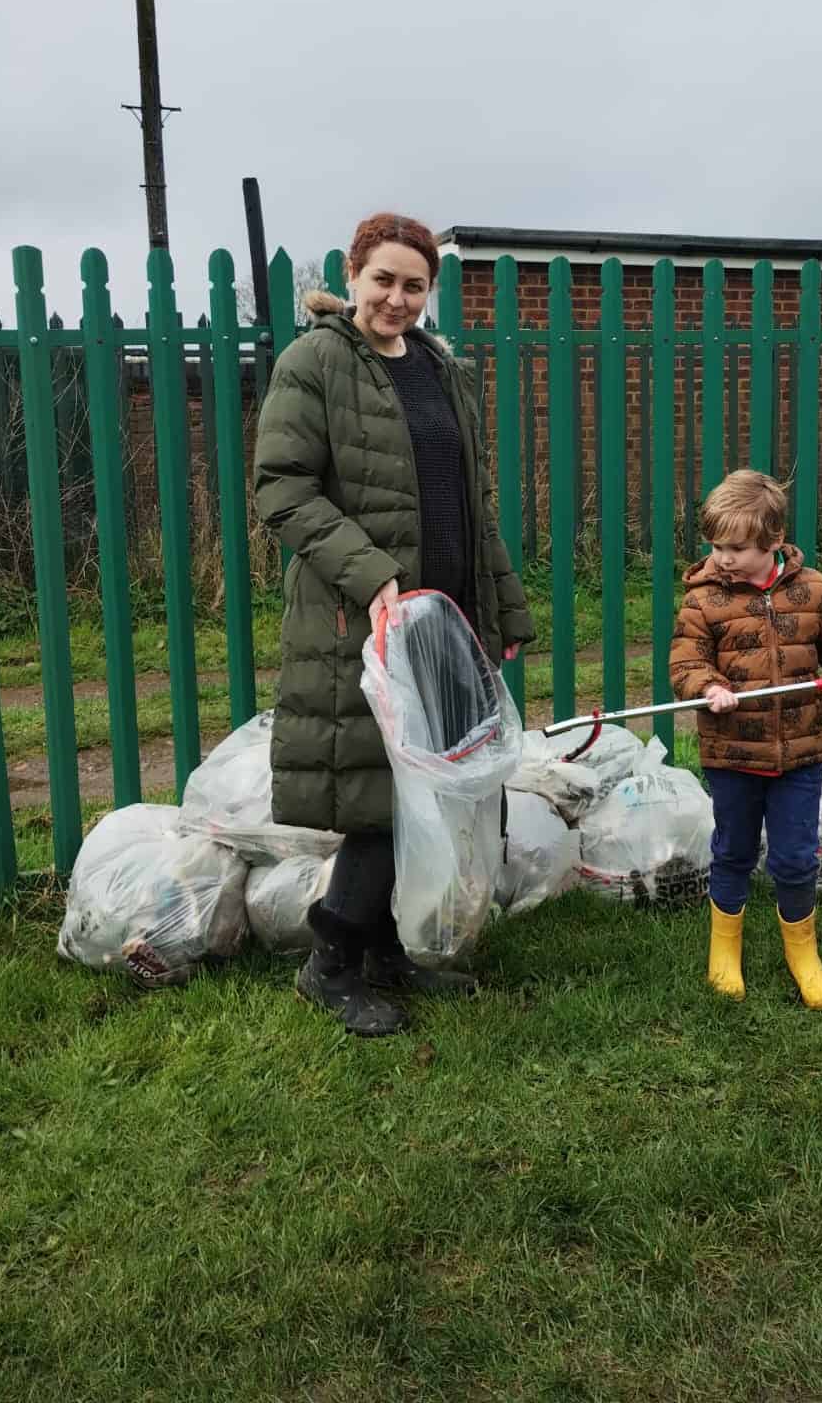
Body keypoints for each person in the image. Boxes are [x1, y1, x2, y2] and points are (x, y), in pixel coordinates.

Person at [253, 212, 535, 1037]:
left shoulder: (440, 369)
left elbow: (468, 507)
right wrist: (374, 576)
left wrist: (499, 606)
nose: (397, 298)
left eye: (415, 285)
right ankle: (330, 961)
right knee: (380, 797)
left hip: (443, 620)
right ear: (353, 274)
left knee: (425, 796)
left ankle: (386, 952)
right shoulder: (314, 362)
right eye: (383, 280)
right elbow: (282, 489)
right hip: (363, 620)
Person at [668, 470, 822, 1010]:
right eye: (716, 545)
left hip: (800, 754)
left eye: (737, 547)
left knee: (794, 858)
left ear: (772, 540)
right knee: (733, 850)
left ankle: (803, 953)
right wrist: (709, 686)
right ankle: (724, 950)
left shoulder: (811, 590)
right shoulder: (703, 602)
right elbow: (685, 663)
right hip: (733, 753)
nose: (723, 557)